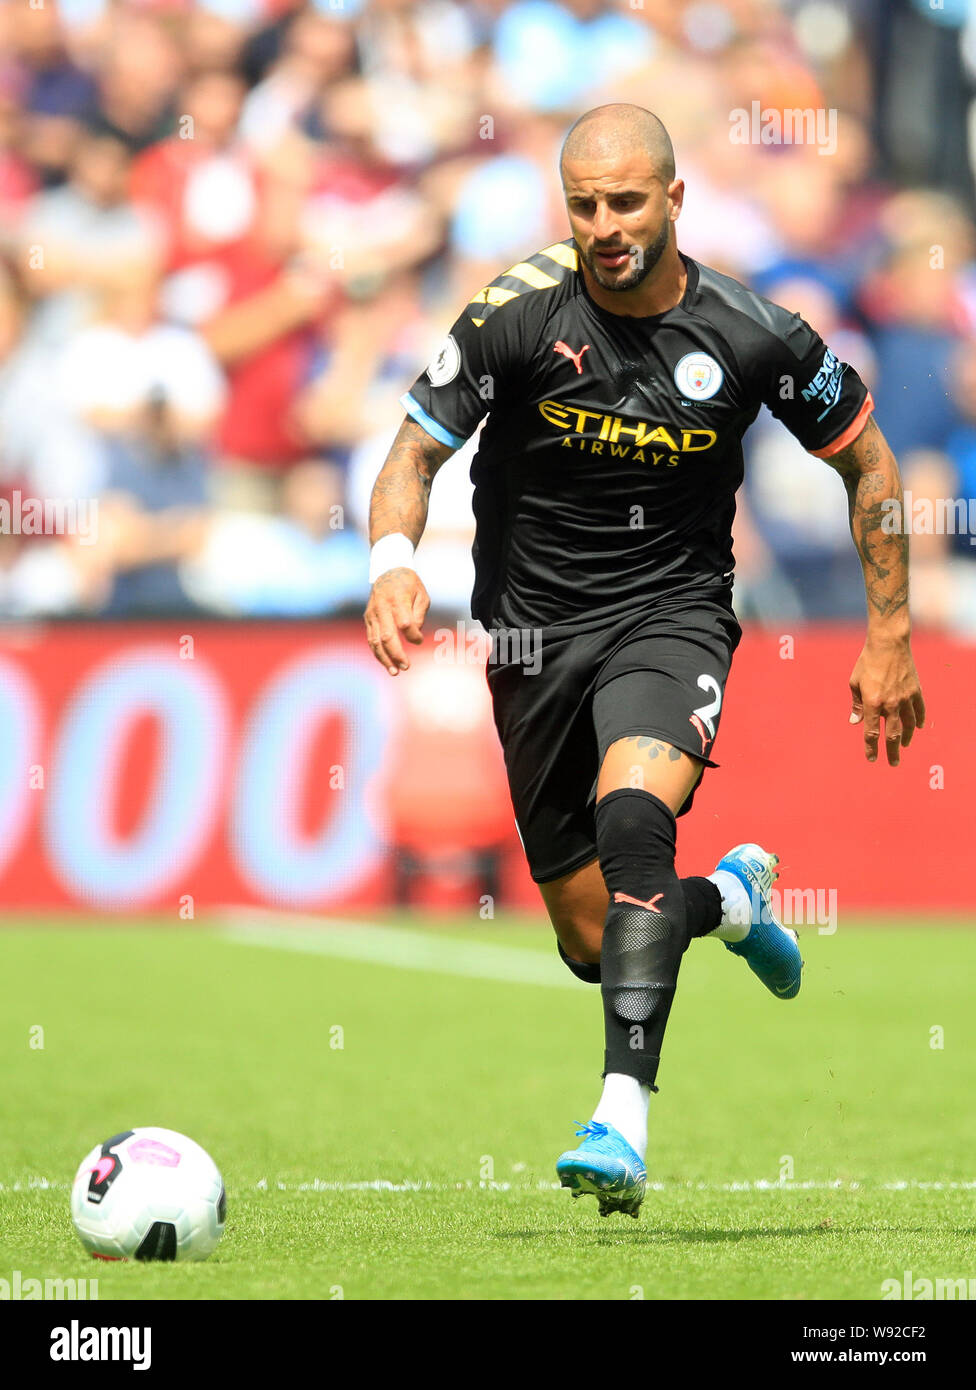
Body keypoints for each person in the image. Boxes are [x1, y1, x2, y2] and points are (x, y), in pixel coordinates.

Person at [363, 104, 926, 1219]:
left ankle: (620, 1115)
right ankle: (730, 897)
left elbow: (866, 460)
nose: (604, 225)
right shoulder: (513, 315)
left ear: (674, 200)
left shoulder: (754, 331)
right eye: (583, 204)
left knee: (634, 823)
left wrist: (889, 633)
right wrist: (390, 560)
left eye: (626, 202)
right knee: (591, 934)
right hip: (531, 642)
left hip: (671, 620)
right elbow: (412, 452)